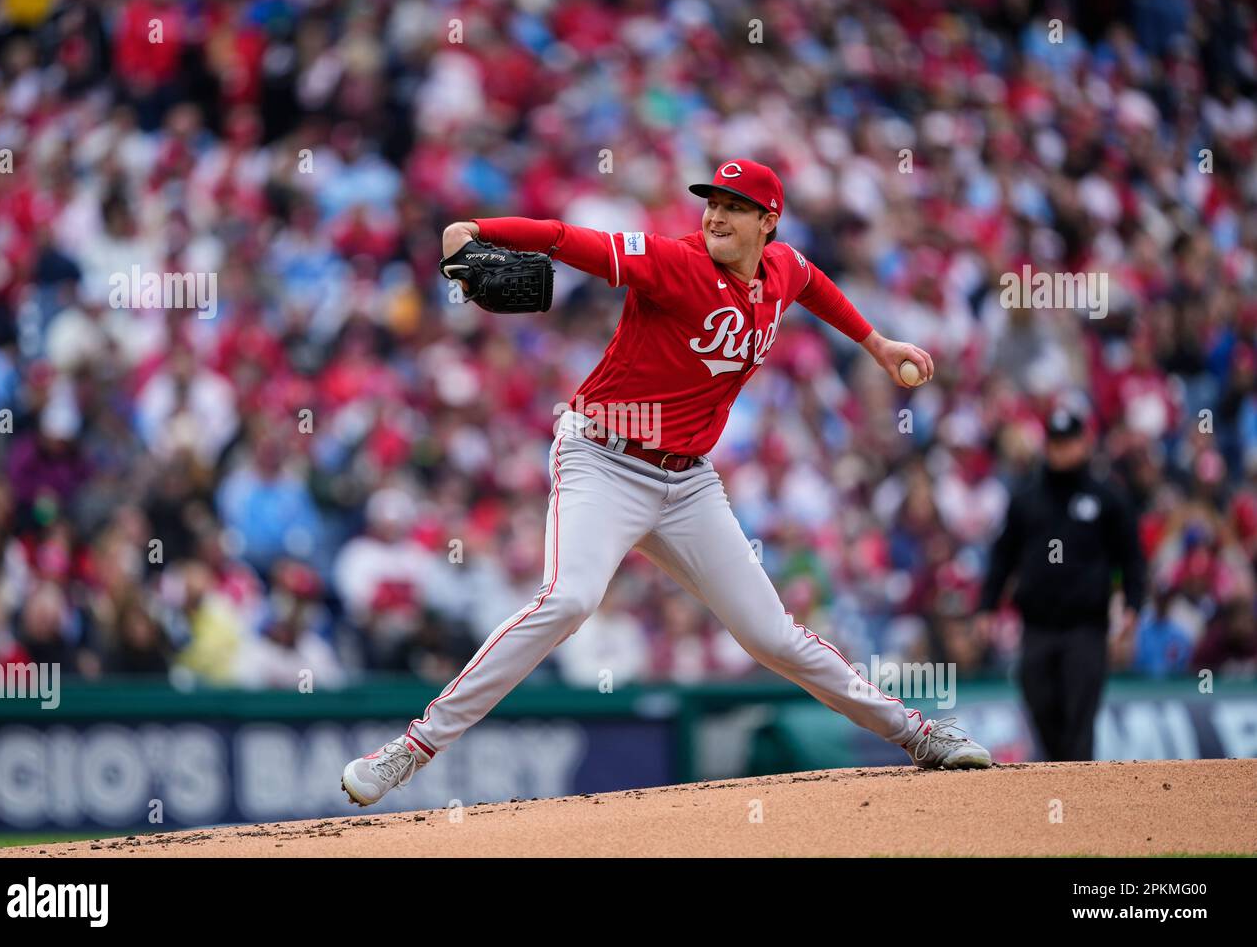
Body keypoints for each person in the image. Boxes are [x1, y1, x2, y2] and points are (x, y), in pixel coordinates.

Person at [341, 159, 992, 805]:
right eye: (712, 202)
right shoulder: (674, 263)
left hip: (689, 484)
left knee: (772, 636)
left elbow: (812, 281)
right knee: (568, 600)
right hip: (602, 458)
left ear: (769, 221)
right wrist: (475, 228)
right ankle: (413, 747)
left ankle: (918, 735)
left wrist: (876, 343)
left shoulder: (781, 268)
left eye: (734, 207)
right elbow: (569, 242)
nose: (716, 215)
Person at [975, 404, 1146, 762]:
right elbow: (1003, 555)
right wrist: (987, 606)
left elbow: (1131, 556)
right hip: (1037, 628)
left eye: (1069, 442)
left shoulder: (1107, 498)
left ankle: (1078, 796)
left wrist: (1132, 605)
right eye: (1056, 443)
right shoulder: (1026, 500)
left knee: (1079, 716)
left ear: (1084, 443)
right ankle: (1059, 780)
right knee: (1041, 707)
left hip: (1085, 627)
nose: (1062, 450)